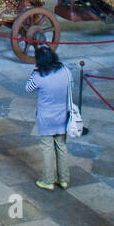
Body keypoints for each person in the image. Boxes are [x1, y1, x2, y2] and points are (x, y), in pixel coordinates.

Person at [25, 45, 71, 191]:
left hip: (46, 118)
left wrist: (33, 73)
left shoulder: (39, 76)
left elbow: (28, 88)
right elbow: (72, 87)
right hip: (63, 115)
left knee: (47, 148)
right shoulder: (65, 71)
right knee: (61, 146)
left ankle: (48, 180)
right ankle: (63, 179)